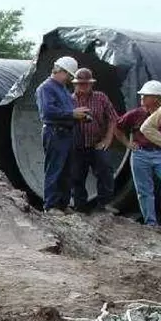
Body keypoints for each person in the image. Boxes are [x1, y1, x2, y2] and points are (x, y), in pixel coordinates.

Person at [35, 56, 92, 215]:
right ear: (59, 70)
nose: (68, 79)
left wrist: (81, 116)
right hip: (55, 132)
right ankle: (50, 205)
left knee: (67, 171)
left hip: (67, 133)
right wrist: (72, 114)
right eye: (68, 75)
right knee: (55, 169)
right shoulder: (46, 88)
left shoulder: (63, 89)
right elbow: (47, 112)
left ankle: (63, 203)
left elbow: (69, 111)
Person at [69, 68, 119, 213]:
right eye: (80, 83)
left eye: (86, 83)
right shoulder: (70, 100)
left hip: (97, 143)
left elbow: (113, 118)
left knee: (105, 171)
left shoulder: (100, 97)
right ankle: (80, 207)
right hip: (77, 145)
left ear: (91, 84)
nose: (83, 86)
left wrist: (108, 139)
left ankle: (104, 204)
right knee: (76, 176)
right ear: (75, 84)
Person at [114, 80, 161, 226]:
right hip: (140, 154)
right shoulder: (136, 114)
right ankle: (151, 224)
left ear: (156, 98)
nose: (141, 98)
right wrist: (127, 144)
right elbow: (117, 127)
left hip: (159, 153)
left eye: (145, 96)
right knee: (144, 190)